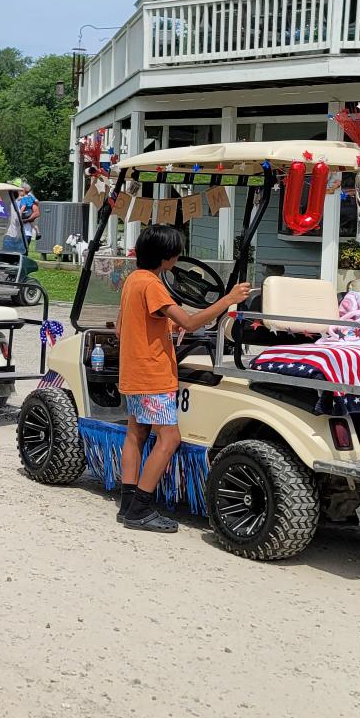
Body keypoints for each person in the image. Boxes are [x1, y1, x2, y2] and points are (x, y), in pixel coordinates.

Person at [116, 226, 251, 533]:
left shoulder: (133, 280)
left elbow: (123, 330)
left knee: (135, 434)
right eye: (176, 253)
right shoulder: (152, 285)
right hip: (153, 376)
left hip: (134, 372)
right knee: (169, 438)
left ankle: (127, 503)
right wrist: (228, 299)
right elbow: (189, 322)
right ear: (167, 258)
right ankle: (140, 508)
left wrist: (163, 328)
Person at [4, 185, 40, 254]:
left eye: (21, 190)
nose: (19, 192)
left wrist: (24, 221)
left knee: (21, 257)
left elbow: (36, 213)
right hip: (10, 235)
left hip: (24, 234)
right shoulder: (12, 201)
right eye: (18, 190)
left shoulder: (29, 200)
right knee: (7, 257)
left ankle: (38, 232)